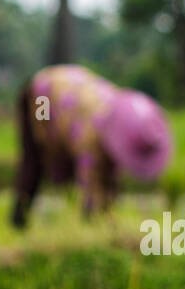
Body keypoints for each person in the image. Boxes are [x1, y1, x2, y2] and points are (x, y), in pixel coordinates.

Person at [11, 65, 173, 228]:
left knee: (93, 176)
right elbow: (88, 181)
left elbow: (110, 177)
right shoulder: (92, 136)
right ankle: (18, 222)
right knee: (35, 161)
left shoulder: (119, 122)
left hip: (73, 92)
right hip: (43, 96)